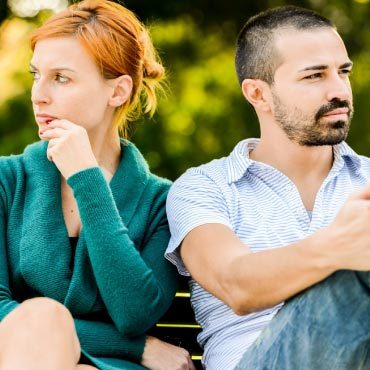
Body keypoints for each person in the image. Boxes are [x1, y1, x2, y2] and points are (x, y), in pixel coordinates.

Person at [165, 5, 370, 370]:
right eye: (314, 76)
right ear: (258, 94)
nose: (338, 90)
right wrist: (339, 247)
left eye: (343, 72)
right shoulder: (205, 187)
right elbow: (235, 284)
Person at [0, 0, 195, 369]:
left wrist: (87, 179)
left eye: (61, 77)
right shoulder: (7, 181)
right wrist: (135, 348)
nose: (38, 94)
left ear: (118, 91)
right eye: (35, 74)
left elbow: (134, 314)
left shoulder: (164, 203)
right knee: (42, 319)